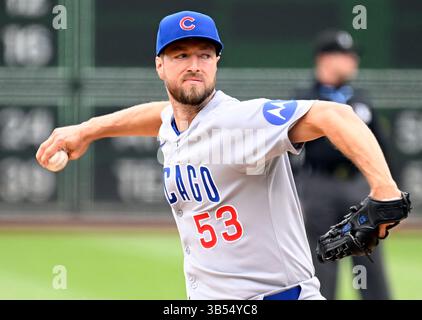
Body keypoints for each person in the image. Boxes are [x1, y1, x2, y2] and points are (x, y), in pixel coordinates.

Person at [36, 11, 404, 300]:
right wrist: (87, 130)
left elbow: (335, 114)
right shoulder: (175, 122)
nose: (194, 64)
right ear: (159, 65)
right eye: (181, 55)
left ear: (216, 62)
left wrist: (384, 192)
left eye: (204, 54)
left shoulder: (240, 121)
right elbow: (160, 116)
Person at [292, 30, 392, 300]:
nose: (353, 61)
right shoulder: (304, 98)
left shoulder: (360, 99)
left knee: (369, 261)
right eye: (346, 55)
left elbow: (382, 147)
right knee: (322, 262)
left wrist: (386, 190)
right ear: (325, 58)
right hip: (319, 186)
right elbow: (288, 153)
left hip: (358, 186)